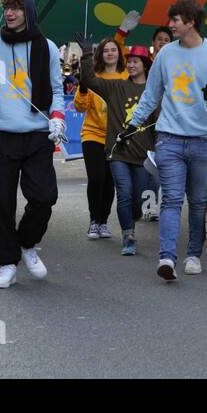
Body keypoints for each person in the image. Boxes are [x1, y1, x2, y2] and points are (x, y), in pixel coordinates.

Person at [121, 0, 207, 281]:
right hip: (169, 138)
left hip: (203, 140)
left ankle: (193, 254)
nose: (170, 25)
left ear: (191, 22)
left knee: (197, 202)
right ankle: (167, 259)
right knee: (171, 200)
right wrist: (131, 125)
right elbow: (151, 95)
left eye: (175, 20)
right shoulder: (165, 55)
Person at [0, 0, 66, 289]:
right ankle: (6, 262)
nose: (10, 13)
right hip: (0, 134)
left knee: (45, 197)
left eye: (17, 8)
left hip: (37, 134)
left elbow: (57, 89)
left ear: (28, 12)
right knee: (0, 202)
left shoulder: (47, 47)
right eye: (7, 8)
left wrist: (57, 117)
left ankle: (27, 243)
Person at [81, 43, 157, 256]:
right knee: (123, 193)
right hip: (118, 152)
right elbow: (88, 80)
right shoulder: (115, 86)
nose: (131, 65)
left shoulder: (153, 93)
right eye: (129, 61)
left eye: (135, 61)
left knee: (138, 199)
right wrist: (88, 54)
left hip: (143, 155)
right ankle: (128, 236)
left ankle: (130, 220)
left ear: (145, 65)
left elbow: (159, 123)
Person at [73, 37, 128, 241]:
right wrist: (84, 87)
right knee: (96, 178)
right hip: (92, 134)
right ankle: (94, 221)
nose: (110, 53)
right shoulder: (92, 76)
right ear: (100, 55)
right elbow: (80, 107)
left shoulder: (126, 76)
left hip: (117, 137)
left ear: (119, 54)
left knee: (110, 181)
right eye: (106, 50)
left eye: (114, 50)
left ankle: (103, 221)